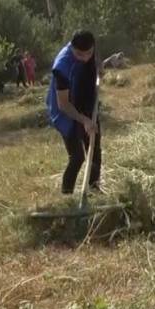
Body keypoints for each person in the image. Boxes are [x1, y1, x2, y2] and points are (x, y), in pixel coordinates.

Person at [47, 31, 103, 195]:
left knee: (94, 146)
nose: (85, 58)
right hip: (65, 110)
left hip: (85, 100)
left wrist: (99, 66)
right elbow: (63, 104)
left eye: (89, 53)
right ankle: (67, 198)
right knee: (77, 157)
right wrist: (84, 120)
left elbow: (94, 60)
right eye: (80, 54)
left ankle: (93, 190)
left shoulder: (89, 50)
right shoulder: (61, 67)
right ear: (72, 48)